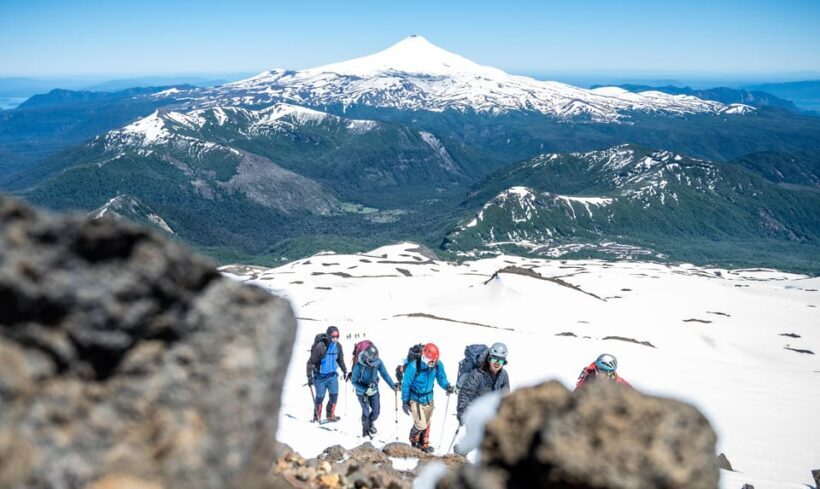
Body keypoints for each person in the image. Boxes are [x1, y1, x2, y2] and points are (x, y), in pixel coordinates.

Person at [400, 343, 456, 453]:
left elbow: (441, 378)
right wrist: (405, 401)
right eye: (431, 360)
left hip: (429, 398)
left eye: (435, 360)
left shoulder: (437, 365)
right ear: (424, 357)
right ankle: (413, 439)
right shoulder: (413, 367)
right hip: (415, 398)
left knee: (427, 423)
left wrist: (447, 386)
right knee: (421, 425)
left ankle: (424, 444)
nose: (433, 363)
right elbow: (406, 384)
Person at [350, 343, 399, 437]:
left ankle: (370, 423)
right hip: (362, 392)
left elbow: (384, 374)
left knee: (376, 412)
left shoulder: (378, 362)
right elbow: (354, 382)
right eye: (371, 361)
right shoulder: (358, 366)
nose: (373, 363)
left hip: (374, 390)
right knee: (366, 411)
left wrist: (392, 386)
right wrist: (365, 390)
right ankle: (365, 431)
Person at [456, 342, 510, 425]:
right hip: (476, 415)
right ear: (489, 359)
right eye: (494, 359)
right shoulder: (477, 374)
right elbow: (466, 393)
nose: (497, 363)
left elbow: (506, 397)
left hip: (492, 417)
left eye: (501, 360)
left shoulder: (504, 375)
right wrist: (462, 412)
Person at [306, 326, 348, 422]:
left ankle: (330, 415)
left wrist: (344, 370)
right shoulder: (320, 347)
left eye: (337, 336)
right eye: (333, 336)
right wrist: (309, 376)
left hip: (332, 375)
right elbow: (310, 362)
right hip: (320, 376)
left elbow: (340, 360)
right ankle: (317, 417)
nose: (335, 339)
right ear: (329, 336)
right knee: (320, 397)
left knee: (334, 396)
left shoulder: (338, 346)